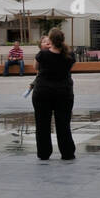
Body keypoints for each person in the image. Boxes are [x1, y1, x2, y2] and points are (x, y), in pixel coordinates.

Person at [32, 28, 76, 161]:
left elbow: (35, 67)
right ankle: (67, 153)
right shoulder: (69, 55)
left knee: (42, 124)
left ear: (50, 40)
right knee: (63, 124)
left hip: (42, 92)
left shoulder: (42, 54)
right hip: (63, 92)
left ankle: (44, 153)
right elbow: (68, 68)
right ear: (62, 40)